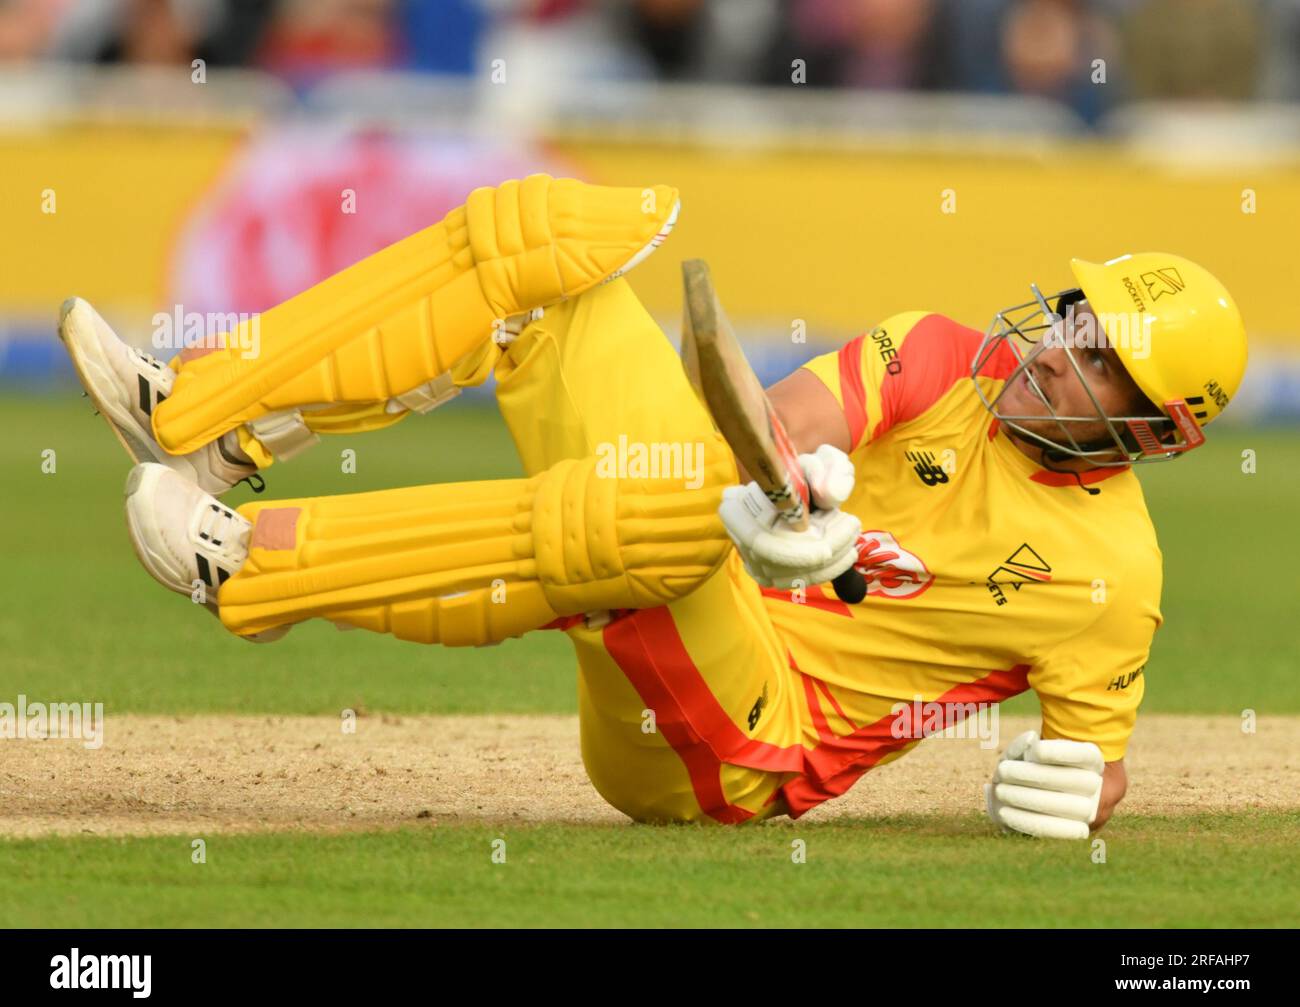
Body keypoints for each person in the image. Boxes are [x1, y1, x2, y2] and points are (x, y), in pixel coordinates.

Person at [59, 174, 1247, 838]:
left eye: (1098, 361)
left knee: (669, 522)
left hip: (732, 758)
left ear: (1155, 432)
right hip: (705, 574)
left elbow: (1100, 759)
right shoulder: (949, 356)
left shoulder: (1113, 579)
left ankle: (245, 570)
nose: (1053, 351)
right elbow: (769, 422)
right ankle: (205, 422)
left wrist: (1078, 792)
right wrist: (796, 490)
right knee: (544, 250)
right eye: (1074, 322)